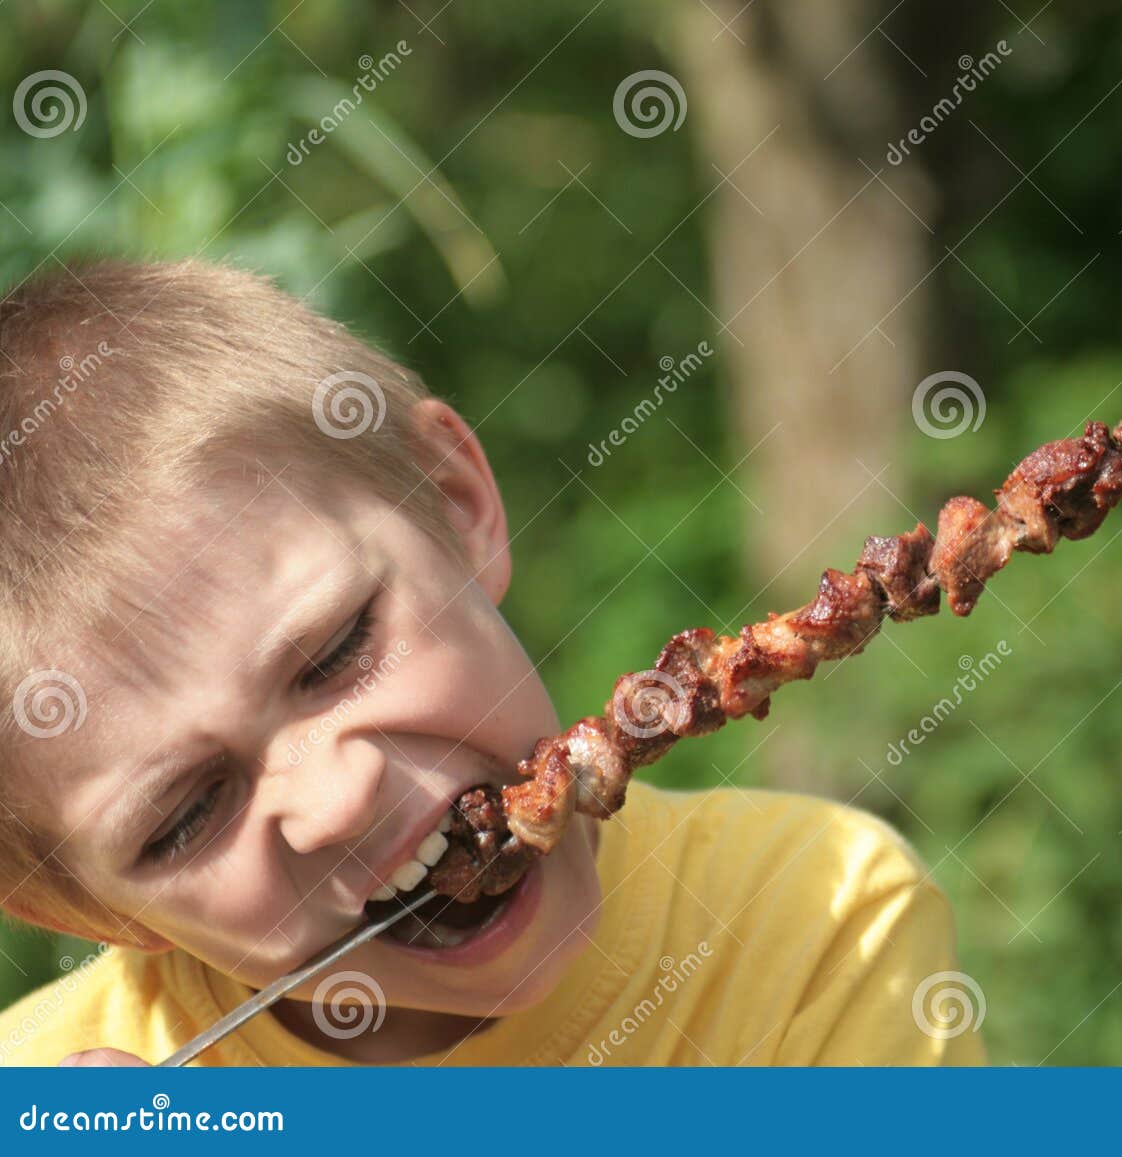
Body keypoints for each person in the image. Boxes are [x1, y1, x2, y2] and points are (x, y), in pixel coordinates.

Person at [0, 260, 985, 1066]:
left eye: (338, 650)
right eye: (182, 817)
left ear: (456, 504)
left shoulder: (812, 921)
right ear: (85, 908)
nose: (334, 800)